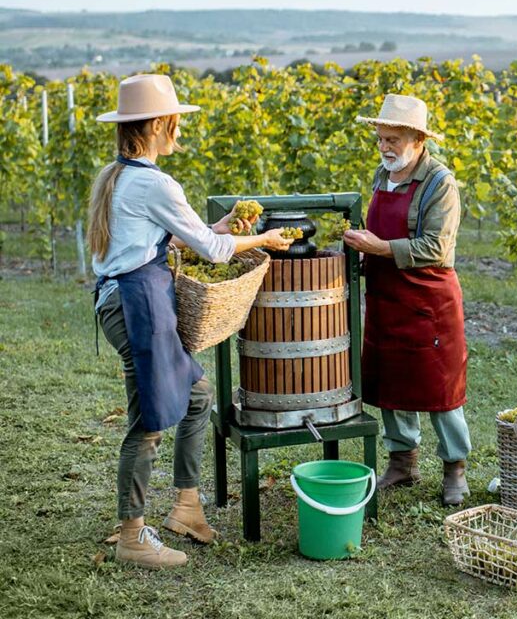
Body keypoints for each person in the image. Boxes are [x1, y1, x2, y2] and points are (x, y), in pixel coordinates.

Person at [88, 74, 293, 569]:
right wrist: (262, 240)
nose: (178, 128)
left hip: (125, 300)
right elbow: (217, 252)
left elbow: (176, 238)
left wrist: (216, 229)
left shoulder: (117, 176)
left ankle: (186, 507)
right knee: (148, 419)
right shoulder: (154, 182)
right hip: (138, 306)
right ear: (159, 124)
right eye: (175, 120)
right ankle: (134, 534)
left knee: (197, 396)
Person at [343, 93, 471, 506]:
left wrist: (380, 249)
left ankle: (455, 468)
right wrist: (361, 252)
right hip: (387, 298)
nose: (384, 147)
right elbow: (378, 237)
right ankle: (402, 461)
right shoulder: (383, 177)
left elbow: (436, 247)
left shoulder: (440, 183)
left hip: (428, 302)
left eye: (393, 139)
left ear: (417, 139)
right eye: (381, 139)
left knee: (440, 388)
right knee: (391, 380)